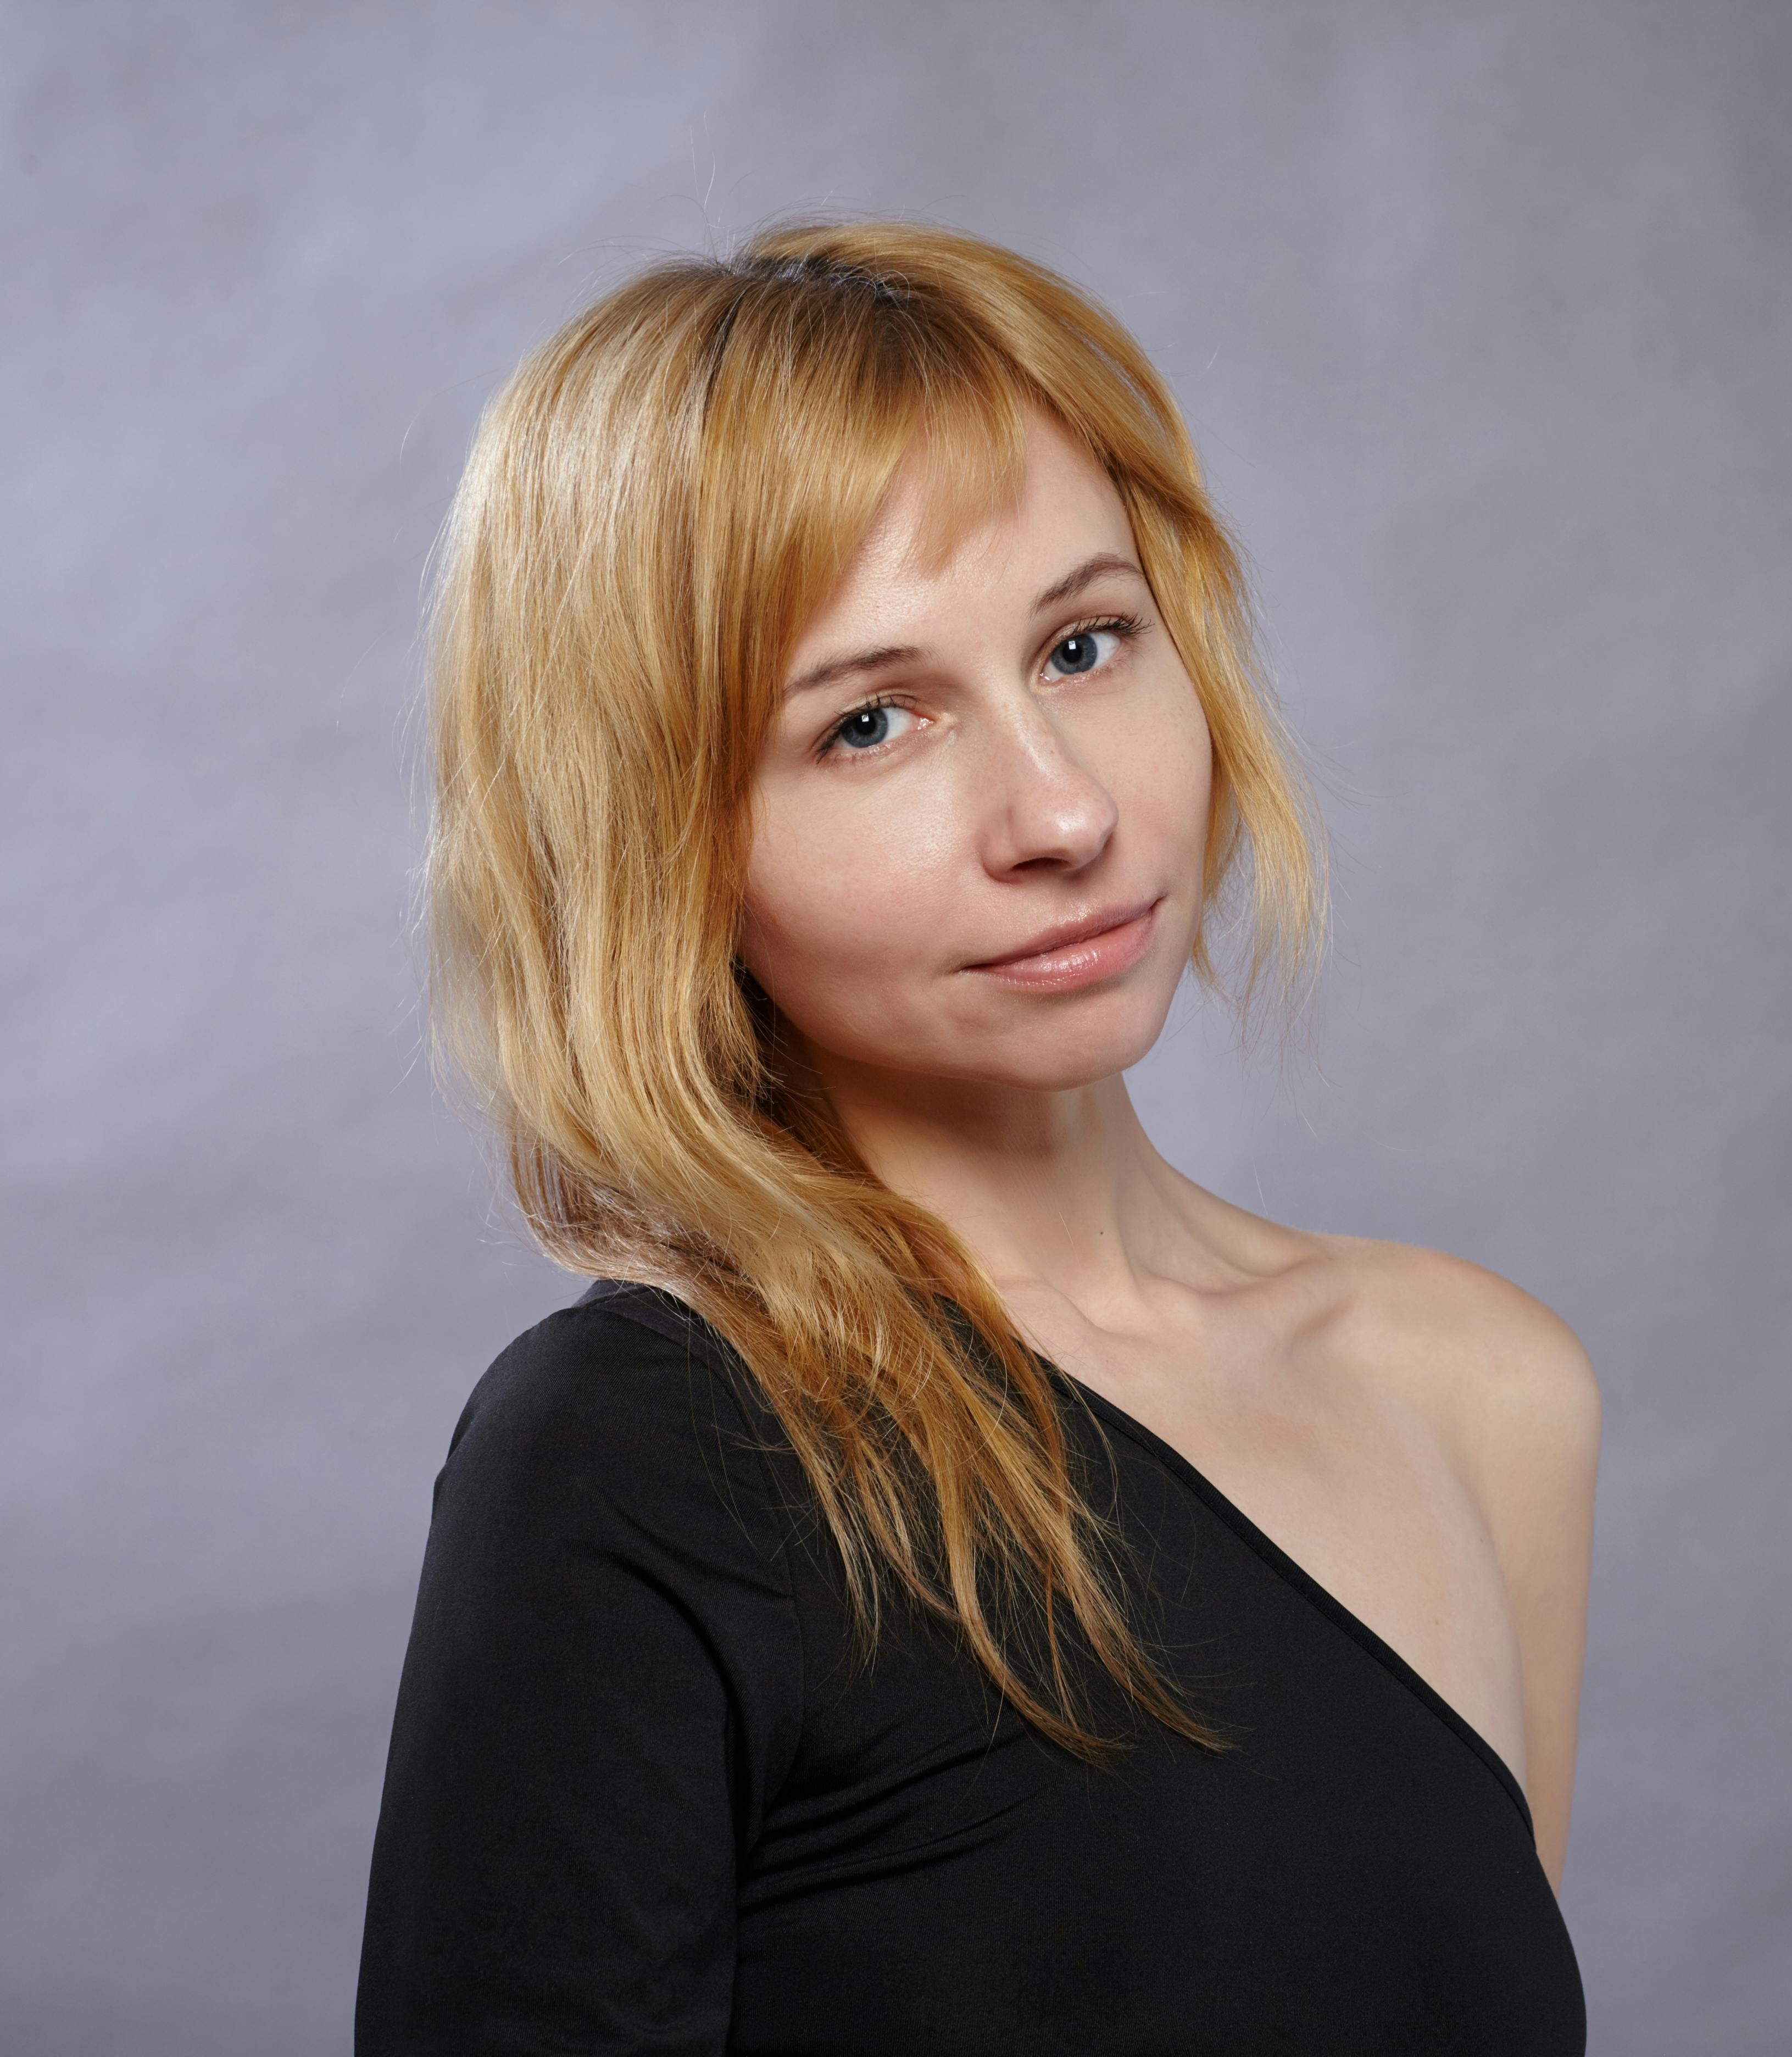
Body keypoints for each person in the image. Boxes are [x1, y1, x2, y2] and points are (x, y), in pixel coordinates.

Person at [358, 220, 1600, 2055]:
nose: (1063, 812)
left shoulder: (1483, 1392)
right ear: (659, 841)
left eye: (1087, 644)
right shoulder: (643, 1459)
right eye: (870, 723)